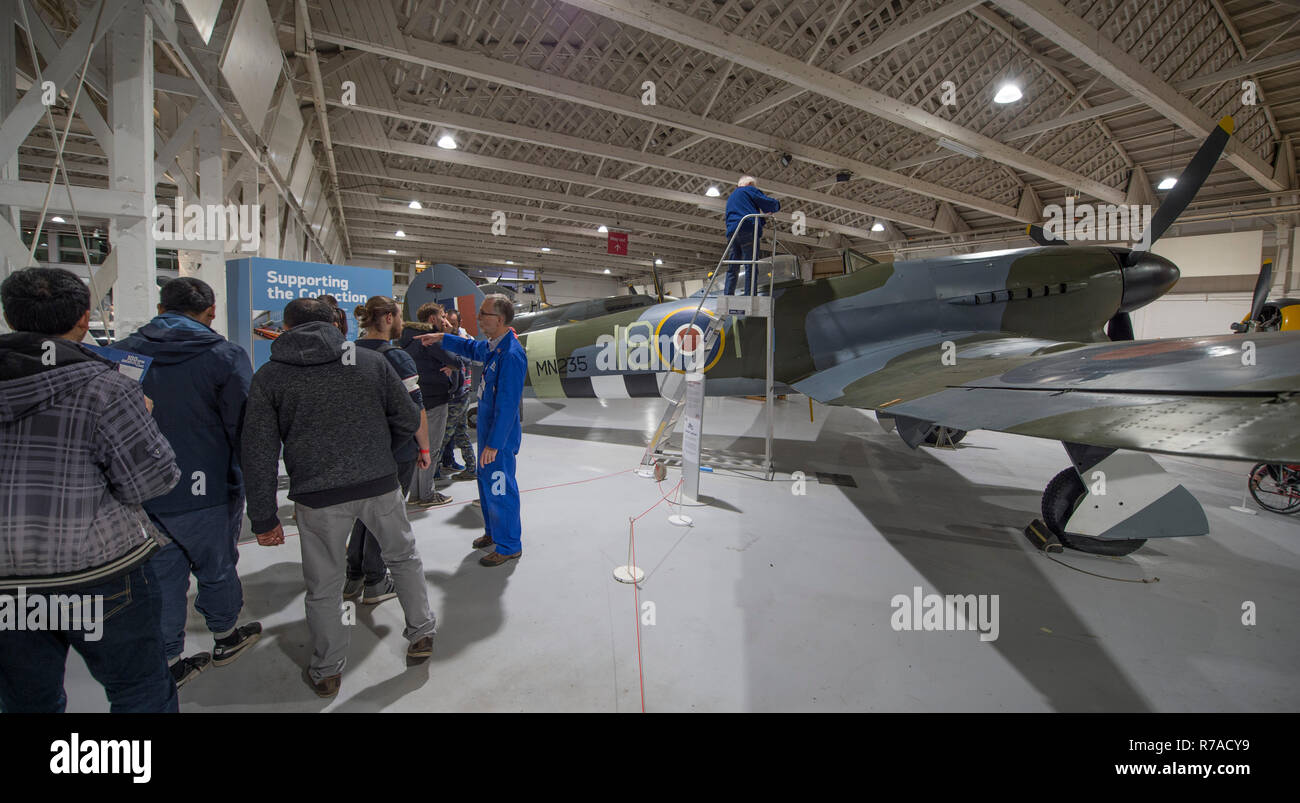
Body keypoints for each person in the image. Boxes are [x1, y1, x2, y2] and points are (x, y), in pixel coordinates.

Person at [0, 267, 181, 712]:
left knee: (25, 700)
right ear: (84, 318)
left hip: (6, 579)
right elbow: (153, 480)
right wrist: (143, 415)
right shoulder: (106, 388)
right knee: (138, 687)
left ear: (10, 317)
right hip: (97, 569)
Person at [241, 298, 435, 698]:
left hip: (317, 496)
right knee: (403, 558)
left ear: (287, 326)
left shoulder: (271, 376)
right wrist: (380, 453)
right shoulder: (369, 362)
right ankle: (422, 633)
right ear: (333, 322)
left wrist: (263, 518)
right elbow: (406, 417)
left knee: (325, 585)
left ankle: (328, 670)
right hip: (379, 484)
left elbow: (258, 451)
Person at [114, 277, 262, 688]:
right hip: (209, 483)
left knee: (161, 574)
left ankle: (170, 658)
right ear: (211, 311)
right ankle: (225, 636)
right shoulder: (225, 355)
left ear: (161, 307)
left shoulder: (123, 352)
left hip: (141, 489)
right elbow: (243, 425)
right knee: (216, 566)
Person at [415, 293, 527, 567]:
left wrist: (493, 445)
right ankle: (493, 532)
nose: (478, 318)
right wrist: (442, 338)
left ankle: (510, 545)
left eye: (483, 314)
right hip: (489, 435)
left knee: (501, 491)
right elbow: (474, 350)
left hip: (497, 442)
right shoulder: (494, 346)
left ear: (499, 319)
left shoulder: (511, 354)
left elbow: (508, 405)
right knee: (487, 488)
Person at [344, 296, 437, 606]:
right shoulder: (396, 357)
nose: (401, 323)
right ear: (386, 318)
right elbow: (417, 411)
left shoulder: (347, 351)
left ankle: (353, 574)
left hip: (359, 451)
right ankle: (374, 580)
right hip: (394, 451)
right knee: (384, 517)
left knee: (362, 514)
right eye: (398, 316)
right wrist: (424, 447)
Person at [399, 303, 460, 500]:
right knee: (432, 449)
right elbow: (460, 360)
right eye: (442, 316)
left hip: (416, 400)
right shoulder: (431, 340)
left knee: (420, 449)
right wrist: (451, 337)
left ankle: (416, 493)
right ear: (432, 319)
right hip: (435, 400)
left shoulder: (407, 339)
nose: (445, 320)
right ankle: (426, 495)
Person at [724, 175, 781, 295]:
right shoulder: (748, 189)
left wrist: (763, 217)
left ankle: (728, 294)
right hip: (747, 229)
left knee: (733, 267)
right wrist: (777, 205)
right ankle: (749, 295)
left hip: (732, 232)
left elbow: (742, 212)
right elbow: (768, 203)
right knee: (751, 265)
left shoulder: (732, 196)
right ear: (749, 184)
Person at [436, 309, 475, 477]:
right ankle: (471, 468)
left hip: (460, 395)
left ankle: (433, 471)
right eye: (447, 320)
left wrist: (455, 364)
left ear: (459, 322)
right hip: (455, 394)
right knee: (460, 433)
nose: (449, 325)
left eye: (453, 322)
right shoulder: (446, 339)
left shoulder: (465, 340)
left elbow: (469, 357)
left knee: (444, 436)